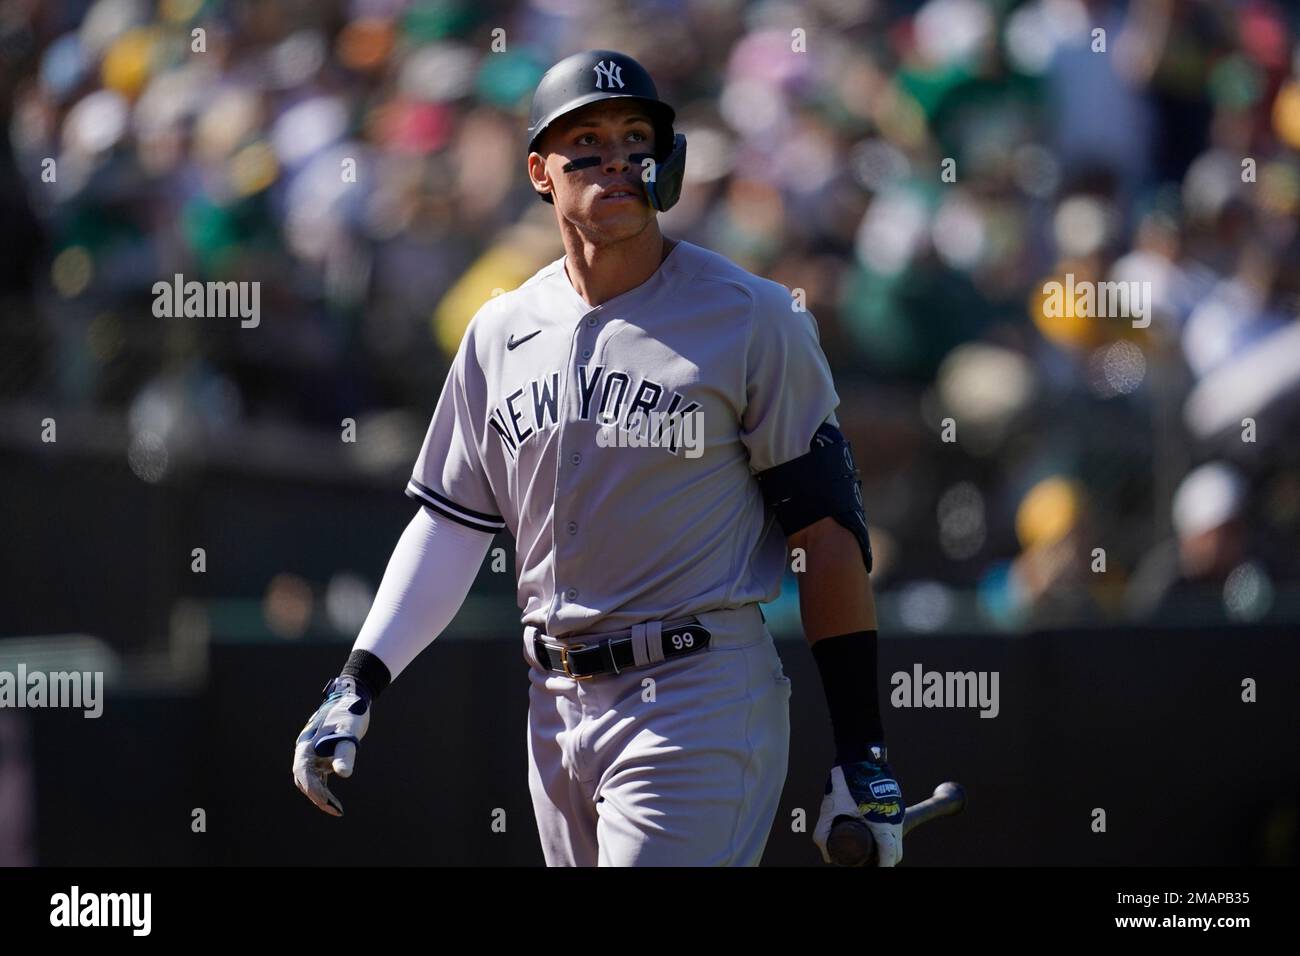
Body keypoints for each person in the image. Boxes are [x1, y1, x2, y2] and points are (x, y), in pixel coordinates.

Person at [292, 49, 904, 867]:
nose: (616, 158)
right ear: (541, 172)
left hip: (696, 693)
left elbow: (826, 537)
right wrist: (359, 678)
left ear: (668, 161)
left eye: (635, 136)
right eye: (587, 140)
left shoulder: (753, 319)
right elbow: (452, 524)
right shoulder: (499, 330)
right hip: (553, 703)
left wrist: (861, 753)